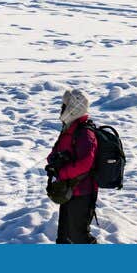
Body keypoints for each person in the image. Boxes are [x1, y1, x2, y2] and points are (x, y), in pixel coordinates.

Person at [45, 89, 99, 244]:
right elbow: (55, 152)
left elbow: (86, 163)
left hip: (83, 191)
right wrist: (53, 164)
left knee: (79, 236)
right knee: (63, 237)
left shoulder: (85, 133)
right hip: (69, 190)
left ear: (73, 108)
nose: (61, 109)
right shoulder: (68, 129)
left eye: (64, 106)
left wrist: (62, 173)